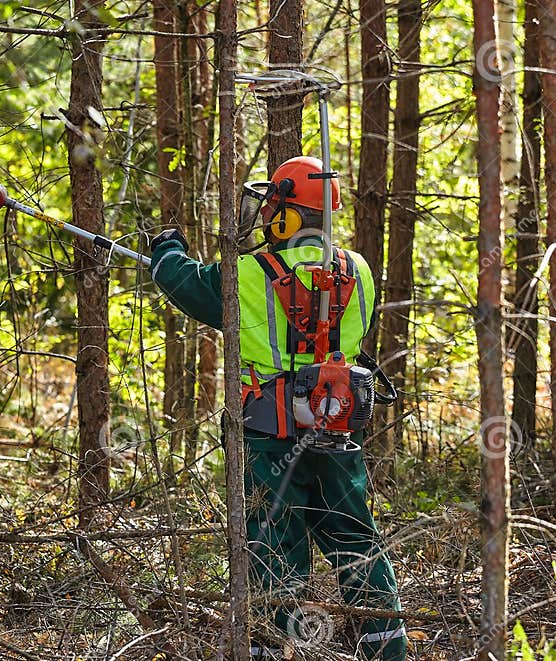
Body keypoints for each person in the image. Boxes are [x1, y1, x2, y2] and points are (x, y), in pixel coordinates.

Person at [149, 156, 406, 661]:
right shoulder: (359, 270)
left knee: (272, 542)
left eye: (272, 207)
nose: (265, 215)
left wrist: (166, 249)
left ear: (287, 216)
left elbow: (184, 283)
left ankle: (271, 646)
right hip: (335, 430)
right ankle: (386, 646)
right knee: (355, 538)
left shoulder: (246, 274)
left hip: (268, 436)